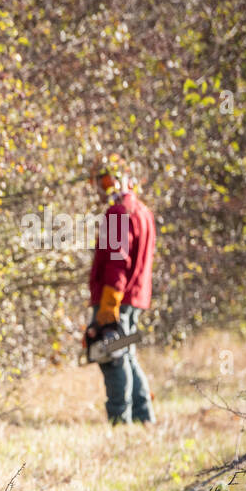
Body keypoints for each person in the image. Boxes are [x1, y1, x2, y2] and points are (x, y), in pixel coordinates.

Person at [86, 153, 155, 424]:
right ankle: (143, 417)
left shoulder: (118, 212)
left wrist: (109, 304)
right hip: (135, 297)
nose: (100, 190)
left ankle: (120, 420)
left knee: (111, 357)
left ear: (113, 180)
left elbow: (118, 260)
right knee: (126, 354)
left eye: (102, 182)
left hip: (116, 297)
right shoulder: (143, 211)